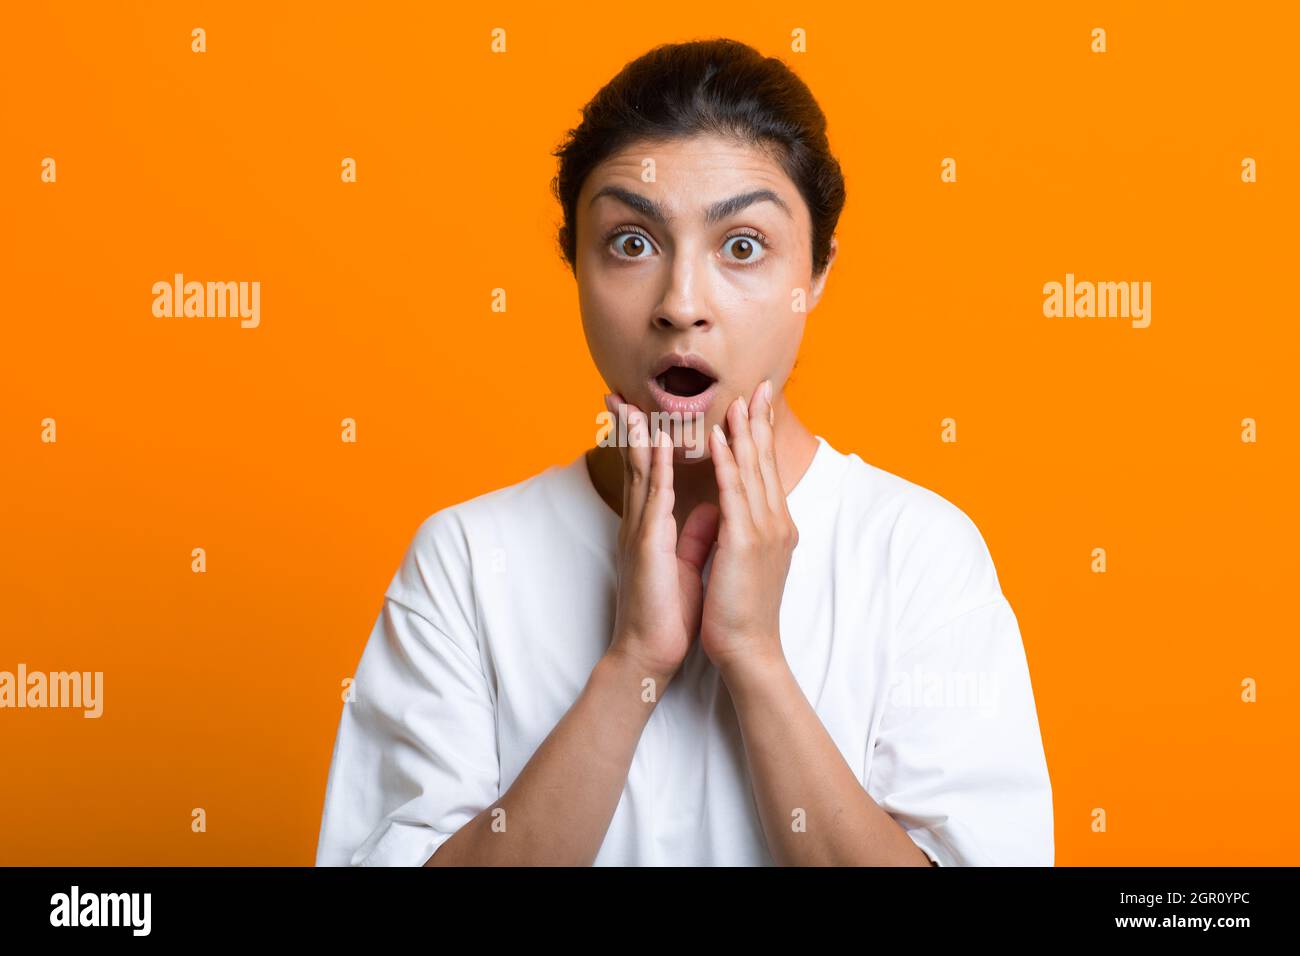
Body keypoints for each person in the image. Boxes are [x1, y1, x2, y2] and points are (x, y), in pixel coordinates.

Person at [314, 37, 1053, 867]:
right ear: (575, 263)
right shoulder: (466, 561)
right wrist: (634, 660)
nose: (681, 304)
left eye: (743, 246)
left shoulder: (918, 554)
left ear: (815, 275)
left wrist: (756, 661)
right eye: (632, 243)